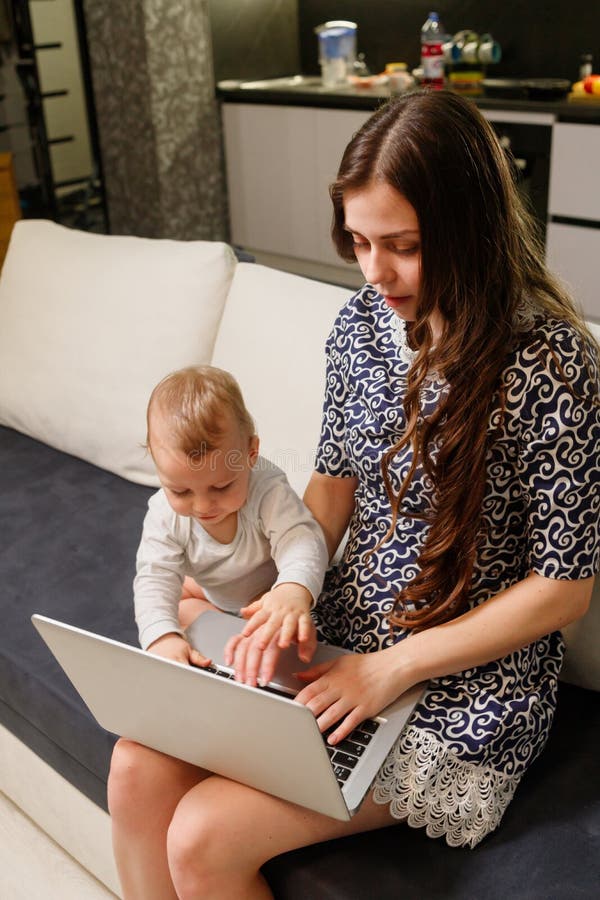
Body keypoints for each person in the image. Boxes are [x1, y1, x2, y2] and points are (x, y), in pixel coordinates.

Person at [107, 89, 599, 899]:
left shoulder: (552, 367)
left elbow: (563, 590)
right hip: (344, 637)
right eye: (360, 242)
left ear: (468, 227)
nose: (375, 271)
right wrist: (281, 591)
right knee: (135, 766)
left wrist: (389, 670)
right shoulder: (363, 326)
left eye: (402, 245)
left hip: (463, 683)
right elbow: (332, 484)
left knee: (202, 836)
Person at [134, 364, 327, 671]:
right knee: (173, 607)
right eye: (181, 491)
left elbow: (301, 538)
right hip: (209, 595)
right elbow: (154, 576)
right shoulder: (163, 514)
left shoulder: (266, 490)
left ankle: (250, 636)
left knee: (294, 634)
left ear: (251, 453)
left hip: (266, 598)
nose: (202, 506)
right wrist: (161, 638)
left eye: (221, 486)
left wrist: (292, 589)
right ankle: (217, 643)